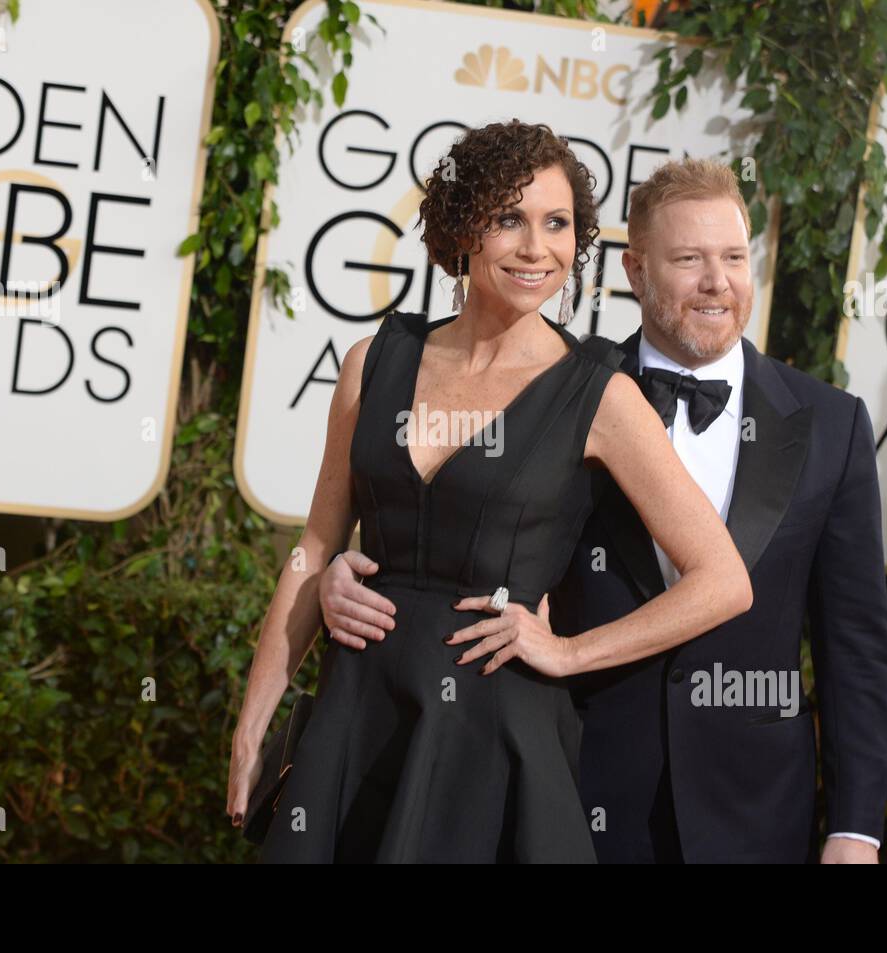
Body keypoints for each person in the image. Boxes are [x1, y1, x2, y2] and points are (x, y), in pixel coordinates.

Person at [322, 158, 887, 864]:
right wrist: (345, 577)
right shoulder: (560, 396)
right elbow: (455, 536)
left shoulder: (831, 425)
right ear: (636, 270)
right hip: (573, 783)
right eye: (689, 259)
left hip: (755, 809)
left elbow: (856, 648)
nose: (718, 281)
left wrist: (856, 826)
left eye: (735, 258)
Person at [226, 121, 752, 863]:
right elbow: (316, 549)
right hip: (356, 718)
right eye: (510, 218)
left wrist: (569, 652)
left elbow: (723, 579)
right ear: (463, 226)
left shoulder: (599, 394)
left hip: (492, 741)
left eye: (558, 223)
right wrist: (254, 728)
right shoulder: (374, 361)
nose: (538, 248)